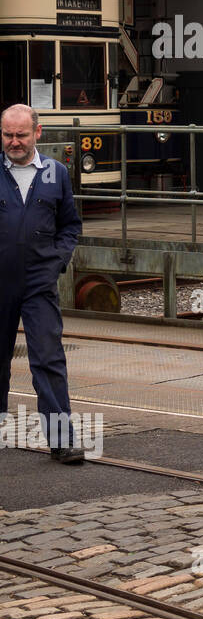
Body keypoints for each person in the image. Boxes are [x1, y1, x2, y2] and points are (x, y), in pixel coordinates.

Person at [0, 104, 84, 462]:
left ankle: (62, 440)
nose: (14, 142)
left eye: (21, 134)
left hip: (38, 281)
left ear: (38, 133)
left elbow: (70, 226)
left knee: (48, 358)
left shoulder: (56, 173)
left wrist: (56, 263)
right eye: (7, 135)